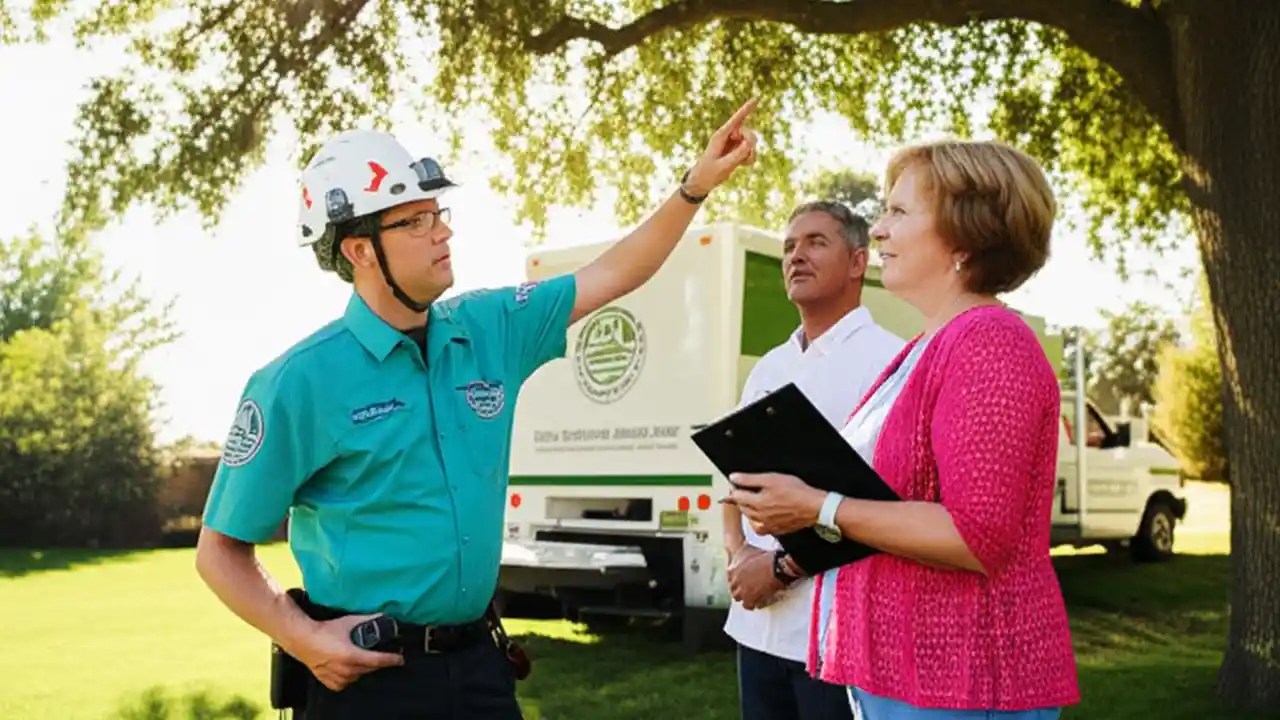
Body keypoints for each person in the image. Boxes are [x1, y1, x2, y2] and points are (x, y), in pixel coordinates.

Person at [194, 99, 759, 720]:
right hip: (366, 681)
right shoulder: (296, 382)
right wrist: (304, 640)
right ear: (359, 251)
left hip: (480, 670)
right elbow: (220, 551)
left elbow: (613, 273)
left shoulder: (490, 327)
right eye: (413, 221)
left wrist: (693, 187)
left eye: (438, 213)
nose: (442, 231)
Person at [727, 139, 1080, 719]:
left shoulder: (989, 342)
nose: (880, 231)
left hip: (965, 684)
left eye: (897, 211)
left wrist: (818, 507)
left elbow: (976, 535)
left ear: (964, 236)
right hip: (904, 683)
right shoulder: (923, 349)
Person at [721, 201, 904, 720]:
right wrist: (738, 557)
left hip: (835, 640)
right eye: (788, 247)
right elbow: (733, 484)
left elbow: (881, 506)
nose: (796, 256)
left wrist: (777, 570)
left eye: (815, 243)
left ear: (857, 262)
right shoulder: (769, 368)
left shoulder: (889, 362)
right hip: (756, 630)